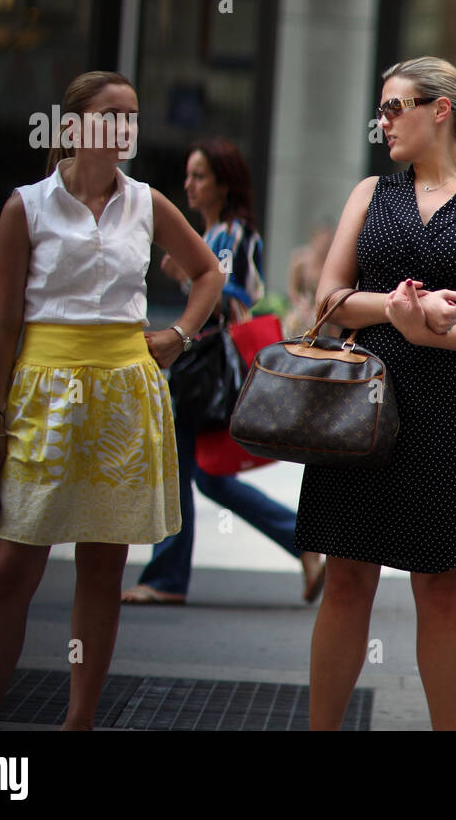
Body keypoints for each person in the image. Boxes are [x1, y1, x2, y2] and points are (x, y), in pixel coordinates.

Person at [0, 71, 224, 730]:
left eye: (131, 116)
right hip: (44, 396)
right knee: (12, 570)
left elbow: (207, 273)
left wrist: (179, 335)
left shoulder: (147, 202)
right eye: (111, 114)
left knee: (103, 571)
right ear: (72, 125)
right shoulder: (28, 206)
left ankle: (78, 723)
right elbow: (2, 325)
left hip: (126, 396)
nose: (124, 127)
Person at [295, 56, 456, 730]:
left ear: (441, 111)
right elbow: (329, 298)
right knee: (345, 577)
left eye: (394, 106)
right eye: (380, 109)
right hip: (359, 406)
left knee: (441, 584)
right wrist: (396, 312)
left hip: (447, 407)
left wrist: (427, 329)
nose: (383, 121)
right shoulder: (371, 194)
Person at [122, 138, 326, 605]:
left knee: (176, 468)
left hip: (207, 367)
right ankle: (305, 542)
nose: (189, 185)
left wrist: (189, 274)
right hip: (207, 365)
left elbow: (234, 293)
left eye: (200, 177)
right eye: (189, 175)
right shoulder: (216, 232)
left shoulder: (230, 233)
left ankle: (167, 577)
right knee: (207, 474)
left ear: (223, 184)